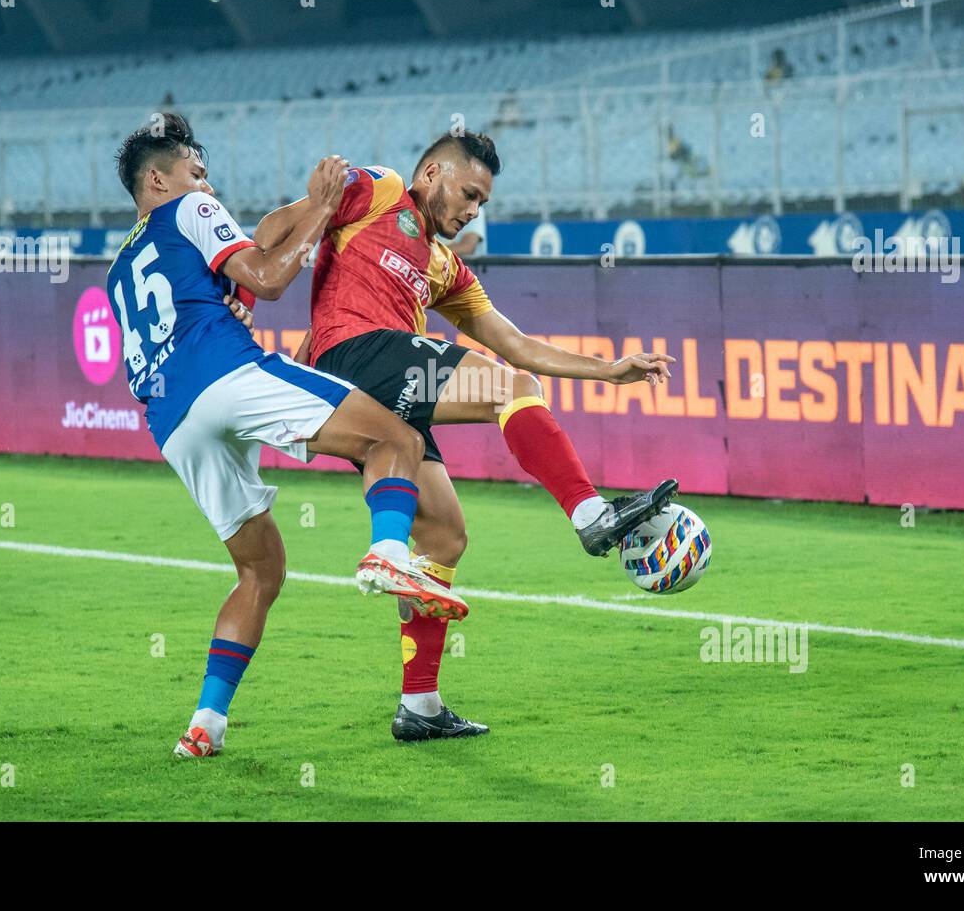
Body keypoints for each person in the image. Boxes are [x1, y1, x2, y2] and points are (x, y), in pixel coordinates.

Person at [241, 132, 678, 742]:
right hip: (353, 356)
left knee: (444, 536)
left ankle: (419, 707)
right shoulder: (381, 190)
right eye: (469, 193)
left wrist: (608, 370)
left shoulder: (446, 269)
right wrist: (240, 293)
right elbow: (278, 224)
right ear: (432, 173)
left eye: (483, 203)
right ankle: (588, 513)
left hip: (389, 393)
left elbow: (517, 342)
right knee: (508, 388)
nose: (474, 210)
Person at [107, 113, 466, 760]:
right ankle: (387, 550)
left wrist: (226, 303)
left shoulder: (120, 266)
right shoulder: (189, 209)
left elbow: (188, 314)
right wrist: (324, 207)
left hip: (171, 420)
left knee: (261, 569)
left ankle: (206, 722)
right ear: (158, 179)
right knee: (397, 439)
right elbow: (269, 280)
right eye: (196, 171)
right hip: (225, 373)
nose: (206, 182)